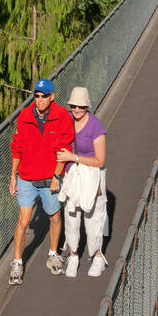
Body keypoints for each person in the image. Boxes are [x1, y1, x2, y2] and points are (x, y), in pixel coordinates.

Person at [8, 78, 74, 286]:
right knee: (23, 221)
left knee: (55, 217)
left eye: (44, 96)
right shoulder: (25, 115)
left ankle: (53, 254)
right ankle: (17, 263)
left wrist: (56, 176)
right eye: (36, 96)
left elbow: (65, 148)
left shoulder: (62, 116)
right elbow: (17, 147)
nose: (39, 100)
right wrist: (13, 176)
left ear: (52, 96)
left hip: (49, 178)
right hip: (26, 178)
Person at [56, 86, 108, 278]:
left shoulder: (95, 126)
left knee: (92, 216)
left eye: (81, 106)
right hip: (72, 176)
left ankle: (97, 256)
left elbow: (100, 160)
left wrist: (74, 157)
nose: (77, 110)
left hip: (92, 176)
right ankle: (73, 255)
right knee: (71, 216)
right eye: (74, 106)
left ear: (87, 107)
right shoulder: (66, 121)